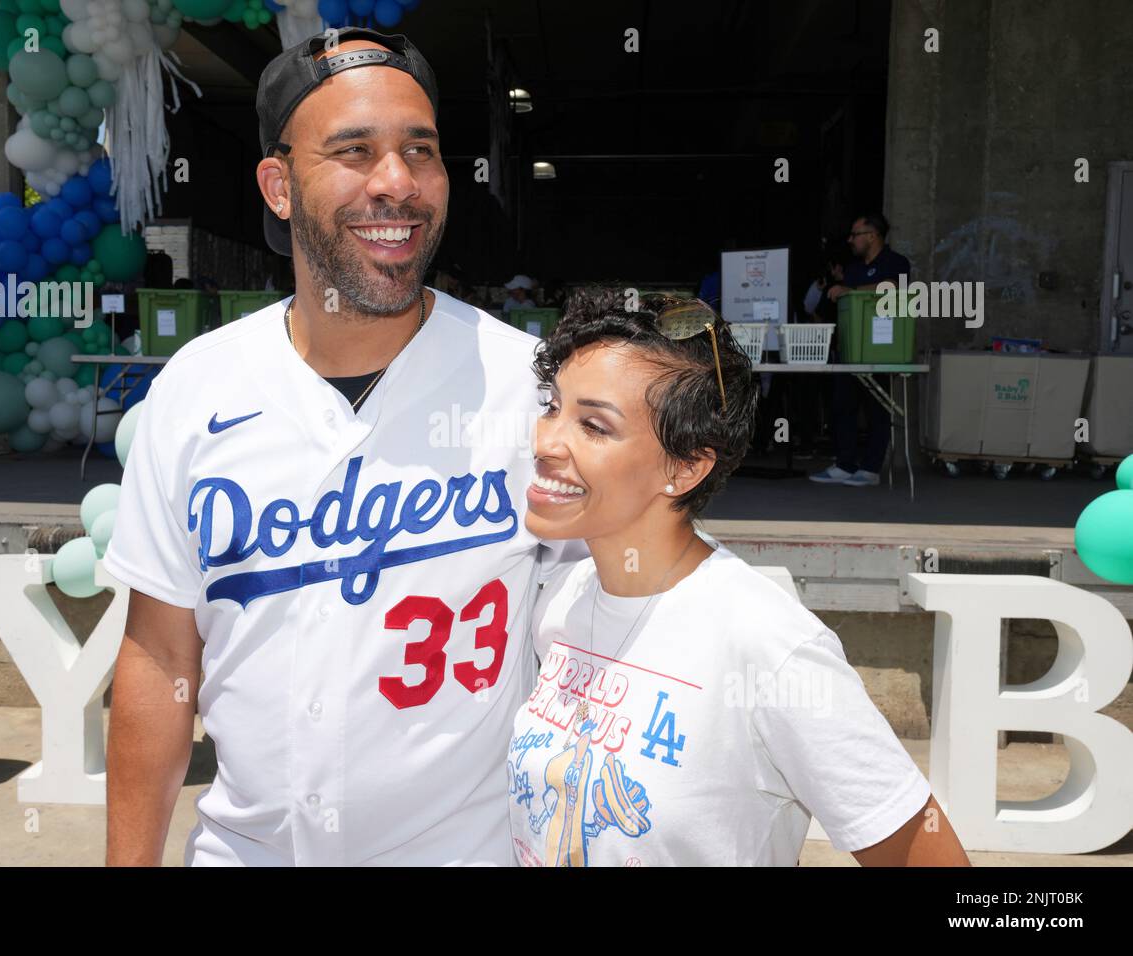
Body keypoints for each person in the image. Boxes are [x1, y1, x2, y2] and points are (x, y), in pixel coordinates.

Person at [102, 26, 581, 867]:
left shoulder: (529, 389)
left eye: (420, 152)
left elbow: (604, 637)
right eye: (355, 151)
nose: (396, 183)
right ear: (279, 185)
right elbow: (159, 655)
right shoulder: (197, 386)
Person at [507, 288, 970, 867]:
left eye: (594, 426)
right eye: (553, 407)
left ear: (685, 467)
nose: (547, 442)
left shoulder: (767, 643)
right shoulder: (562, 604)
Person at [810, 213, 912, 486]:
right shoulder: (853, 269)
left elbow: (896, 288)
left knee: (878, 409)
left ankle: (870, 469)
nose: (850, 240)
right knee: (843, 406)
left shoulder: (896, 263)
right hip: (850, 351)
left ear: (872, 235)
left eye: (855, 234)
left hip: (881, 350)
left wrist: (850, 290)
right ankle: (845, 464)